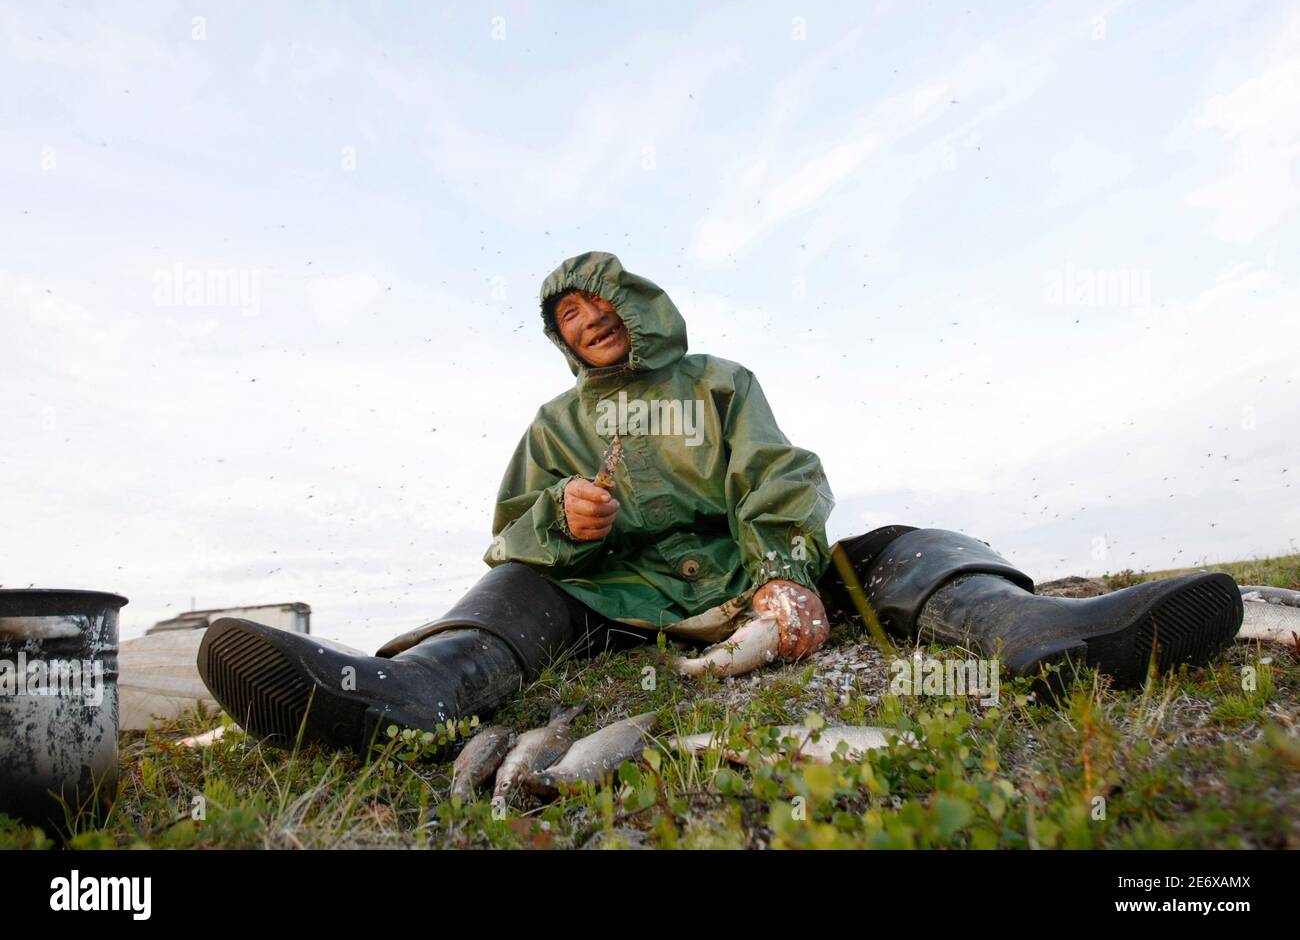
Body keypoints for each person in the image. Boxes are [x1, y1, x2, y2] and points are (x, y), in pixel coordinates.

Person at [198, 252, 1243, 751]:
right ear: (560, 339)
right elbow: (507, 529)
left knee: (904, 543)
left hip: (756, 583)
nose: (587, 318)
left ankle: (1037, 633)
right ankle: (402, 697)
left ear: (637, 307)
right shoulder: (553, 426)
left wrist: (787, 580)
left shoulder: (719, 383)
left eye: (600, 301)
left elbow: (779, 479)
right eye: (568, 313)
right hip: (612, 608)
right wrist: (560, 522)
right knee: (519, 582)